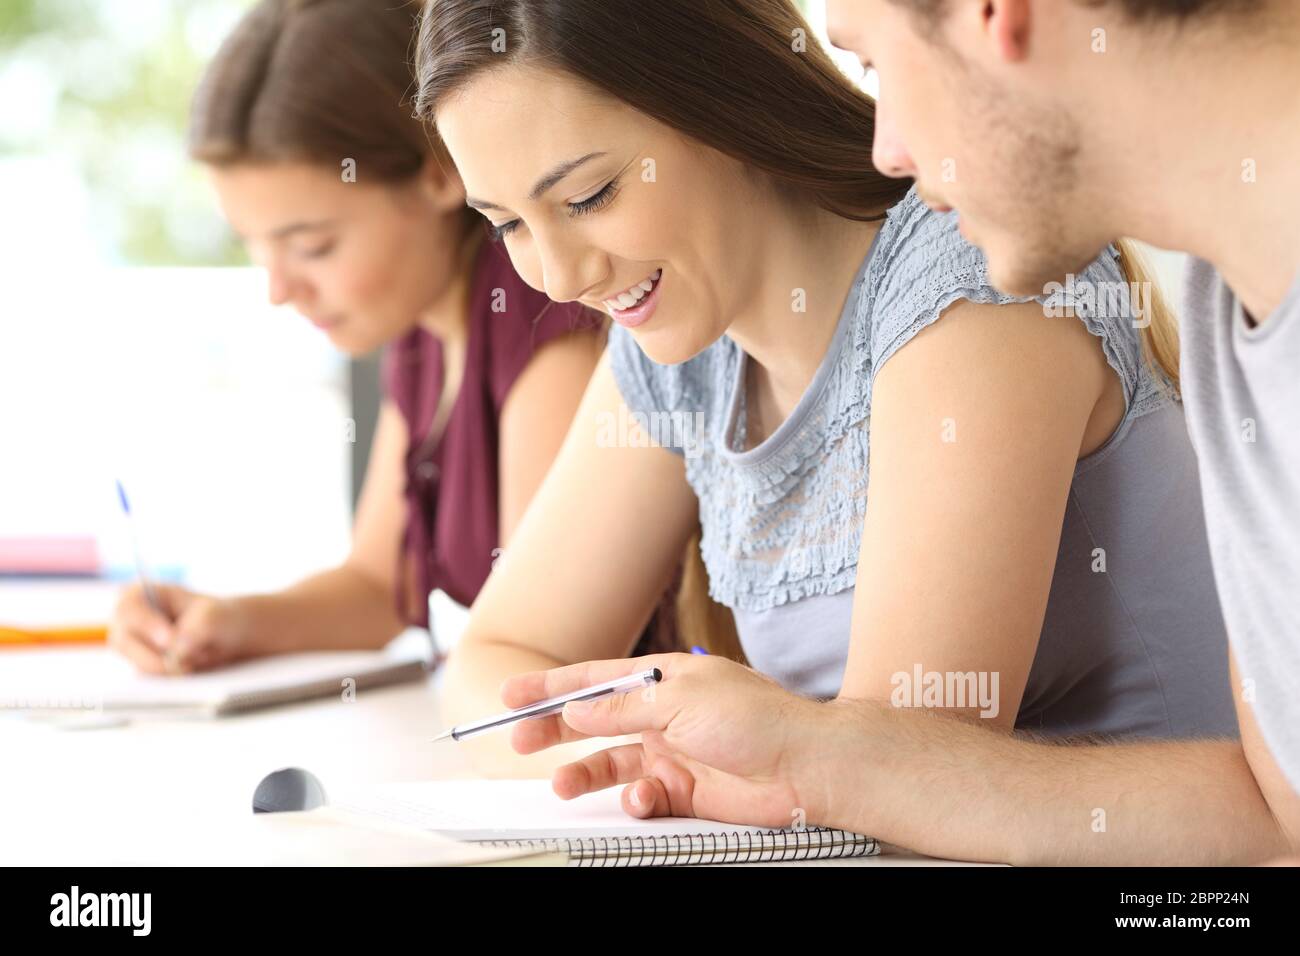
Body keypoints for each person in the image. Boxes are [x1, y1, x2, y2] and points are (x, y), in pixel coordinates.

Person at [496, 0, 1300, 865]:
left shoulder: (967, 277)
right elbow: (1278, 810)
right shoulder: (1238, 292)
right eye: (502, 222)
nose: (887, 151)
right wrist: (772, 759)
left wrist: (807, 762)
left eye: (876, 66)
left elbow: (901, 776)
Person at [108, 0, 605, 675]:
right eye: (256, 249)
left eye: (312, 246)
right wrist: (224, 622)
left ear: (438, 170)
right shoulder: (420, 333)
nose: (279, 290)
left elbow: (544, 644)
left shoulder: (542, 313)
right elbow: (378, 586)